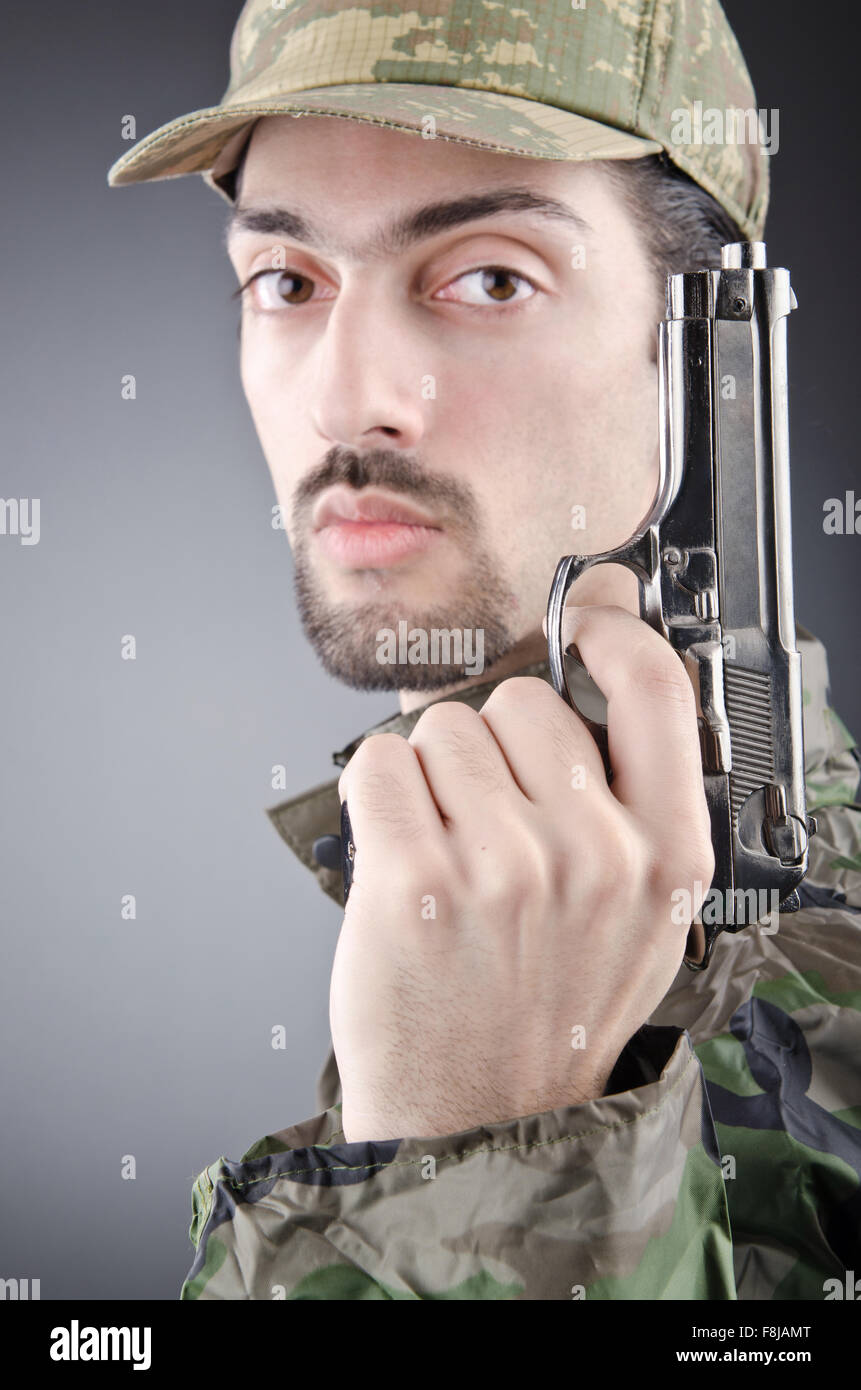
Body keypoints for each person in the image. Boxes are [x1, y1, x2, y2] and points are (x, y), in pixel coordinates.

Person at [108, 0, 861, 1300]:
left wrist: (482, 1148)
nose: (347, 398)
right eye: (287, 282)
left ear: (700, 364)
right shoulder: (442, 868)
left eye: (488, 277)